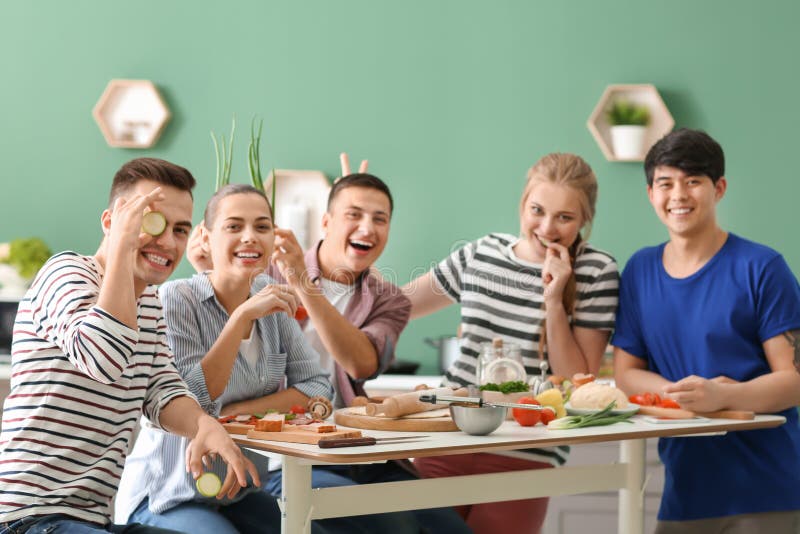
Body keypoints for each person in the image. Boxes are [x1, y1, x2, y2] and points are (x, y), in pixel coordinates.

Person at [185, 154, 471, 533]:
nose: (367, 228)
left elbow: (362, 365)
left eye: (379, 219)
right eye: (353, 214)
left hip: (360, 449)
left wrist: (305, 285)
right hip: (290, 453)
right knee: (395, 525)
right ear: (325, 222)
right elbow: (214, 307)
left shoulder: (388, 300)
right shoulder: (265, 269)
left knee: (450, 529)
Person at [0, 158, 259, 534]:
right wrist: (122, 248)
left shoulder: (148, 304)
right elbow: (103, 359)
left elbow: (161, 390)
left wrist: (204, 424)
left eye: (181, 229)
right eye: (151, 222)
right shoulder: (66, 274)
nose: (168, 242)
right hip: (27, 518)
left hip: (94, 520)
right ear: (111, 222)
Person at [402, 153, 620, 534]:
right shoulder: (481, 254)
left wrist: (553, 300)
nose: (547, 227)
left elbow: (575, 380)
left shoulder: (596, 271)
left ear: (585, 220)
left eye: (564, 217)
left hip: (526, 450)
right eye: (537, 210)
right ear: (523, 203)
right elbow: (397, 306)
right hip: (447, 437)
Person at [612, 128, 800, 533]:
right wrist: (685, 397)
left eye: (693, 181)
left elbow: (795, 380)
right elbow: (625, 373)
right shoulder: (640, 271)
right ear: (650, 194)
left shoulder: (762, 268)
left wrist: (723, 396)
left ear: (719, 188)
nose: (678, 195)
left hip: (766, 492)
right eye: (666, 183)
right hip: (684, 493)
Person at [115, 184, 333, 533]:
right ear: (205, 236)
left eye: (262, 227)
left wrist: (229, 416)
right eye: (234, 226)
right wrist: (240, 319)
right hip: (166, 495)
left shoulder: (274, 304)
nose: (250, 237)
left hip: (238, 493)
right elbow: (187, 400)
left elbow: (319, 387)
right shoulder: (175, 299)